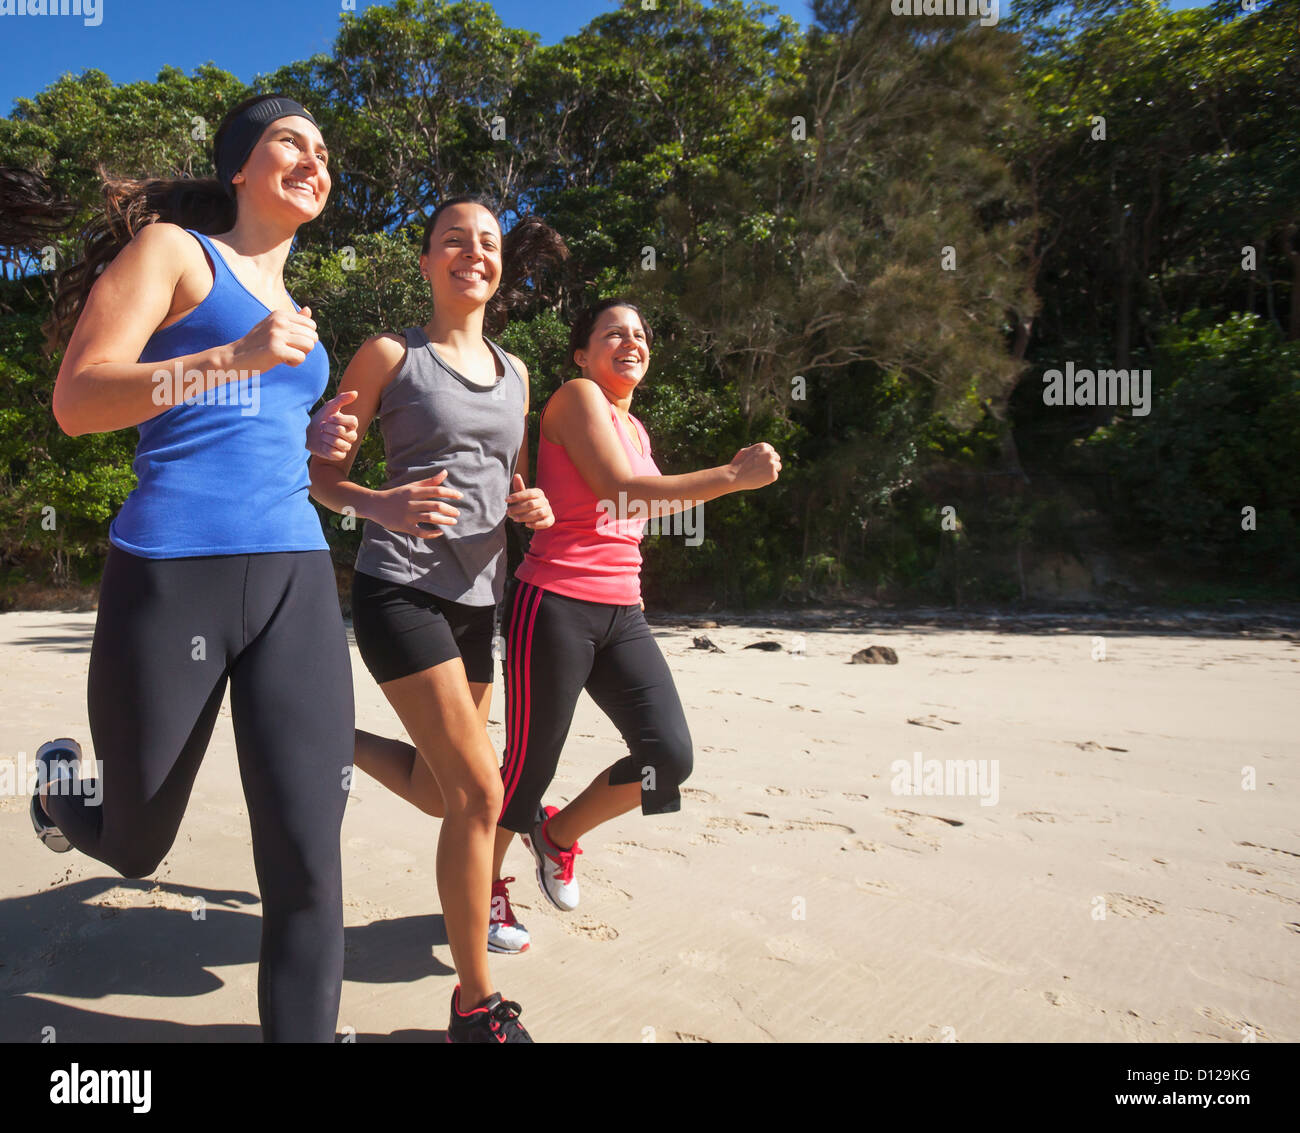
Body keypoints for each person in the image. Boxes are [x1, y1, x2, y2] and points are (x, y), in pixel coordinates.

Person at [26, 94, 356, 1042]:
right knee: (134, 845)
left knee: (306, 858)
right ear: (241, 166)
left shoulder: (301, 311)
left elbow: (268, 438)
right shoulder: (176, 252)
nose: (314, 158)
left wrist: (317, 436)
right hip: (172, 571)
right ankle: (59, 790)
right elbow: (79, 399)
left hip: (294, 572)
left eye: (324, 149)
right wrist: (236, 355)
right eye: (292, 140)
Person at [307, 196, 565, 1042]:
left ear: (501, 266)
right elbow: (321, 474)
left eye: (487, 243)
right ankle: (475, 1005)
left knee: (435, 790)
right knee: (480, 791)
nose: (472, 254)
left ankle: (316, 733)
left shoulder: (518, 370)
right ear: (425, 262)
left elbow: (511, 479)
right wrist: (379, 501)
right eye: (453, 240)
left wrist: (529, 504)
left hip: (479, 600)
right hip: (400, 589)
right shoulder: (390, 354)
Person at [492, 298, 781, 920]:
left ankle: (554, 837)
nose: (632, 342)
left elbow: (646, 504)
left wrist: (721, 483)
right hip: (554, 603)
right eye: (613, 333)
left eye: (641, 334)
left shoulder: (636, 427)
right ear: (582, 353)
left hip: (623, 611)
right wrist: (731, 475)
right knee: (527, 768)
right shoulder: (575, 397)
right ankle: (485, 888)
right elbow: (619, 491)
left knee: (668, 755)